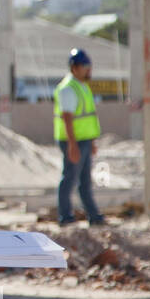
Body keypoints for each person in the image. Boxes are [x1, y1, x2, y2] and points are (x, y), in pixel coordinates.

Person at [54, 48, 105, 226]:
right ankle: (65, 217)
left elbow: (87, 117)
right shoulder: (68, 89)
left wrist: (91, 141)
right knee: (69, 178)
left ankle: (94, 216)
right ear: (74, 67)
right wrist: (72, 145)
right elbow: (67, 118)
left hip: (83, 140)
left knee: (84, 181)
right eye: (85, 67)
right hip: (73, 141)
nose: (88, 70)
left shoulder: (82, 86)